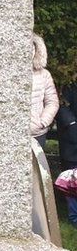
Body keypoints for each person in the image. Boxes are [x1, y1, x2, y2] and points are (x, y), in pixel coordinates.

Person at [31, 34, 58, 150]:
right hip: (10, 133)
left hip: (36, 133)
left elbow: (52, 102)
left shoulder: (44, 75)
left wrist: (43, 122)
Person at [56, 85, 77, 226]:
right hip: (72, 138)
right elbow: (60, 103)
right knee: (72, 180)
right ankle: (74, 217)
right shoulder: (69, 83)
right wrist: (71, 124)